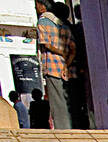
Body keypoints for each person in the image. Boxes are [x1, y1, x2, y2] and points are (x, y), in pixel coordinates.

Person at [34, 1, 75, 129]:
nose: (36, 7)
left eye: (36, 4)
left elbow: (46, 44)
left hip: (51, 65)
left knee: (57, 102)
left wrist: (60, 52)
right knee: (66, 100)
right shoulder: (63, 24)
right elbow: (73, 48)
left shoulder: (43, 21)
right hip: (65, 66)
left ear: (42, 6)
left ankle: (63, 131)